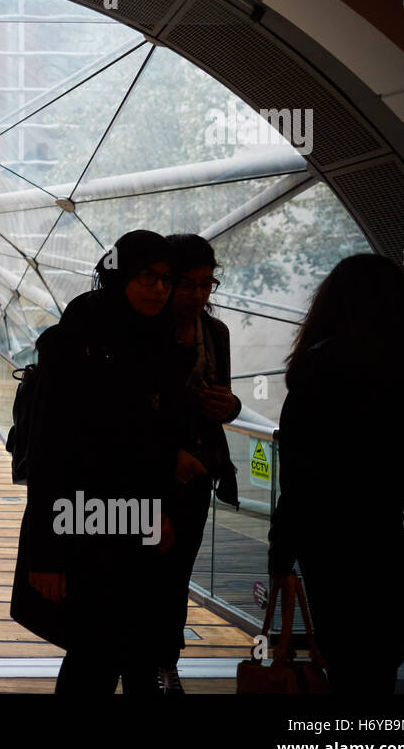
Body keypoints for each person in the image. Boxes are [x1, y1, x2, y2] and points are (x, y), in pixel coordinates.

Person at [267, 253, 404, 693]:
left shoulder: (318, 370)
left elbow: (300, 475)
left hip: (335, 536)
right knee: (383, 654)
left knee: (345, 654)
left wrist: (281, 548)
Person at [18, 230, 193, 694]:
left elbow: (153, 442)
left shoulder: (160, 342)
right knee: (95, 653)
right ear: (117, 277)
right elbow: (49, 450)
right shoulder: (74, 341)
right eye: (146, 277)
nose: (159, 289)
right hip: (83, 521)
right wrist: (47, 554)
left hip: (139, 523)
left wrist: (162, 512)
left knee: (135, 650)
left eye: (166, 279)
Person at [156, 233, 241, 694]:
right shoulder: (146, 329)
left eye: (208, 284)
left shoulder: (216, 332)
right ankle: (144, 661)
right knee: (147, 570)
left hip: (198, 473)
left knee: (178, 572)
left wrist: (230, 405)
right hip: (149, 473)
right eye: (188, 283)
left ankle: (165, 663)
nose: (199, 294)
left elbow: (224, 400)